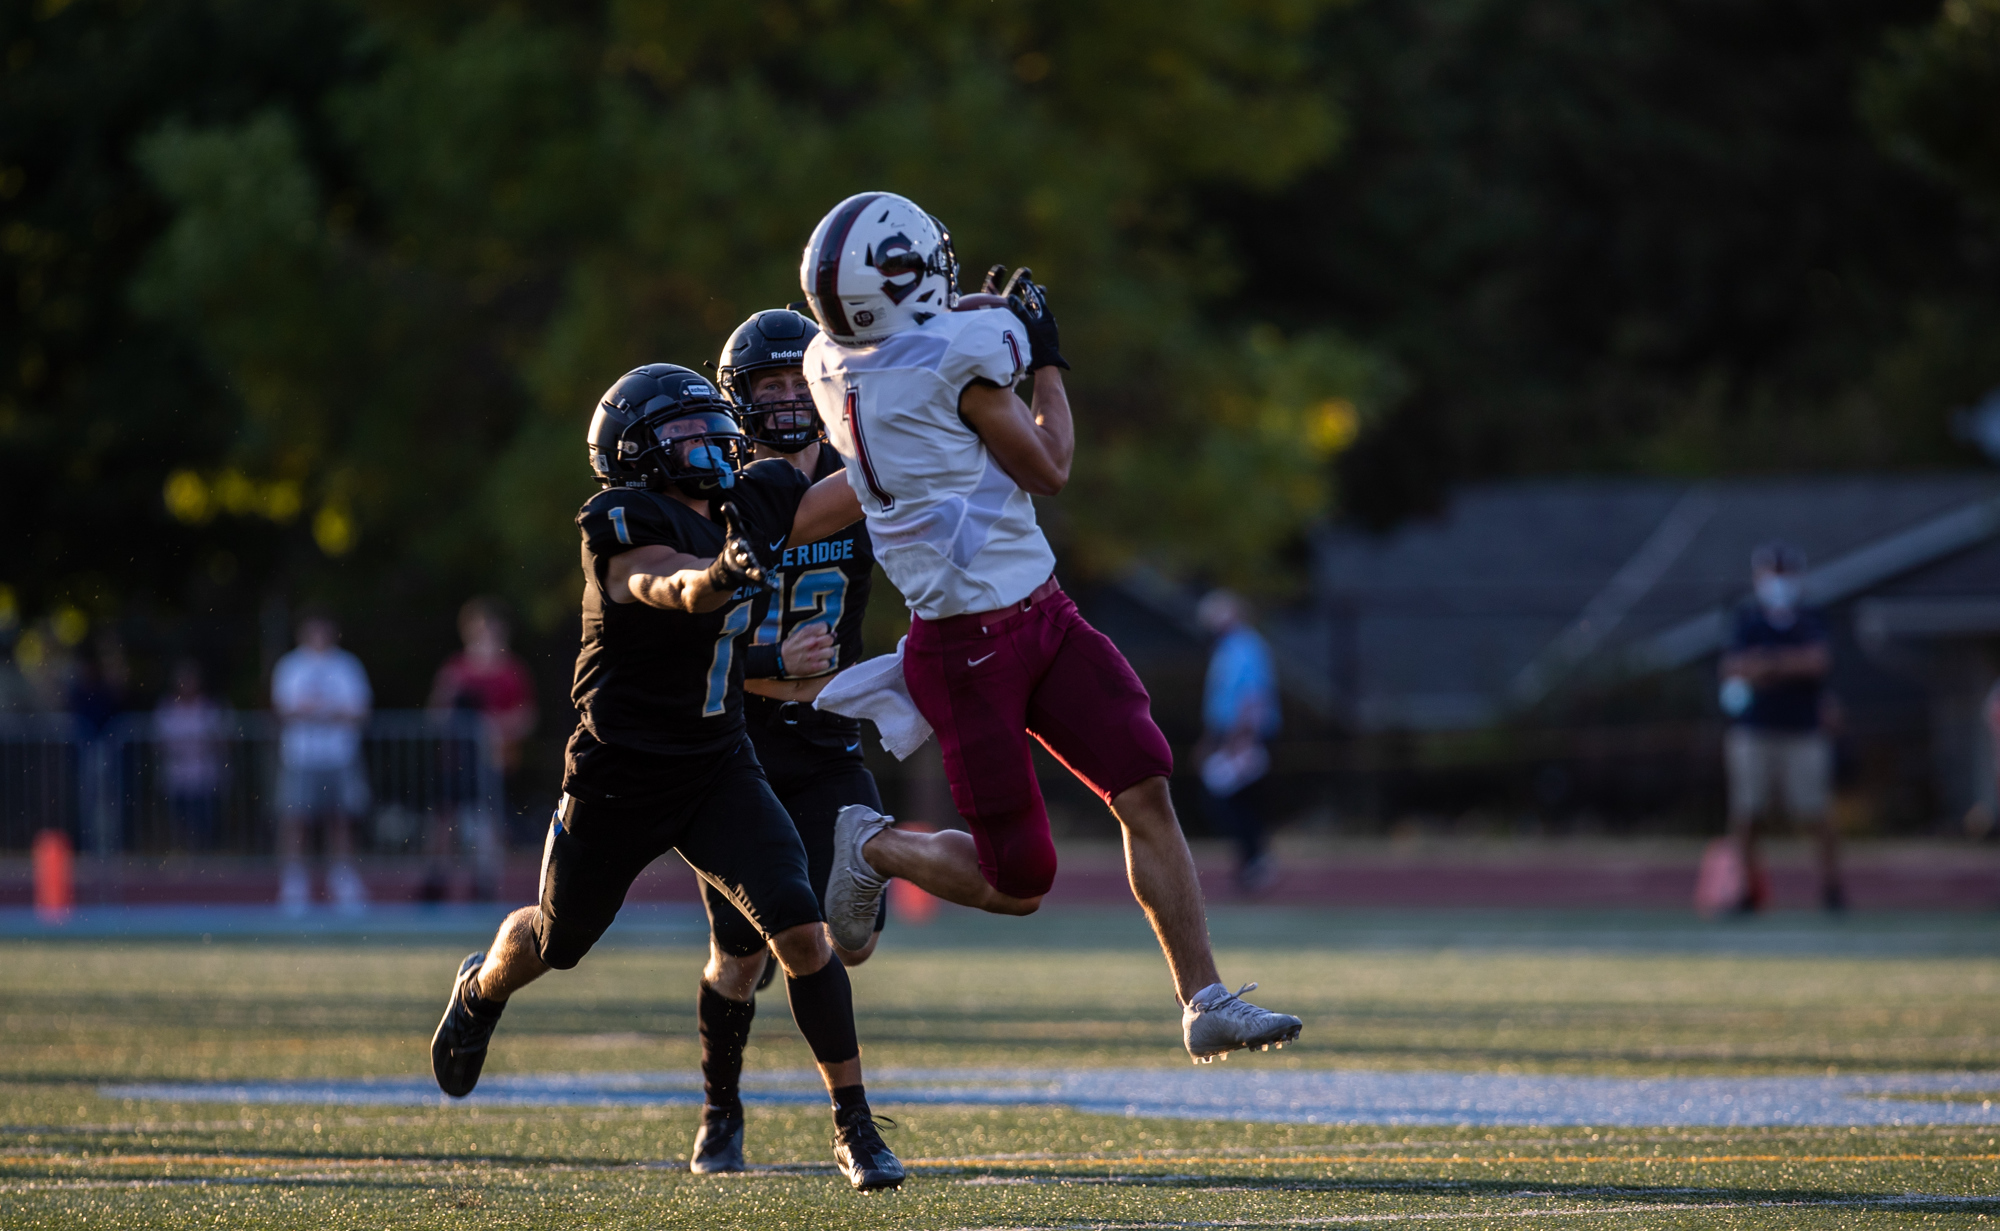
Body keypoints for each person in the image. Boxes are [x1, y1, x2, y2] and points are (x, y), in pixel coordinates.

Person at [798, 191, 1302, 1062]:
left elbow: (920, 344)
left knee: (1143, 780)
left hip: (1043, 614)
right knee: (1019, 878)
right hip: (967, 652)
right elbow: (1051, 465)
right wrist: (1051, 362)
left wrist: (988, 323)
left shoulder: (842, 365)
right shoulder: (951, 368)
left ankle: (1204, 996)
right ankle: (872, 844)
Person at [426, 363, 905, 1190]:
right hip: (620, 775)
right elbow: (663, 583)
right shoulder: (620, 518)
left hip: (719, 763)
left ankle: (854, 1126)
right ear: (636, 451)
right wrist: (720, 576)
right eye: (684, 431)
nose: (710, 440)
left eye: (709, 424)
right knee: (557, 937)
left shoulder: (743, 499)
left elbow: (837, 497)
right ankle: (482, 985)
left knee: (799, 926)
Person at [672, 307, 891, 1175]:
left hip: (830, 737)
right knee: (738, 957)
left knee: (843, 935)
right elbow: (696, 648)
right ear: (740, 402)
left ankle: (850, 1120)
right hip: (743, 753)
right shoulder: (721, 503)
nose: (790, 404)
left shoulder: (852, 480)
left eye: (800, 383)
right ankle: (721, 1109)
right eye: (769, 389)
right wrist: (769, 657)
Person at [1718, 542, 1844, 912]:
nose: (1778, 581)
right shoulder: (1746, 618)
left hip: (1803, 730)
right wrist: (1785, 665)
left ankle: (1832, 890)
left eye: (1785, 573)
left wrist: (1767, 664)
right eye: (1772, 573)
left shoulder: (1811, 616)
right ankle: (1745, 890)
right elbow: (1733, 667)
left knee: (1815, 811)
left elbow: (1817, 662)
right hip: (1754, 729)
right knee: (1747, 812)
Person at [422, 598, 537, 902]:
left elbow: (526, 718)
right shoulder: (455, 669)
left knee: (486, 826)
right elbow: (437, 714)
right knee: (444, 823)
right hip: (455, 762)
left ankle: (483, 886)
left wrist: (492, 729)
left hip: (492, 763)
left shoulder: (512, 670)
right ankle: (437, 884)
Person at [272, 612, 373, 915]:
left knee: (341, 819)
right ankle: (294, 884)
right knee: (295, 820)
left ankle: (342, 880)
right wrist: (328, 712)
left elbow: (360, 710)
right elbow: (284, 709)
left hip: (340, 755)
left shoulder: (347, 665)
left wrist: (317, 712)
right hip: (300, 756)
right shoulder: (290, 666)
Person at [1196, 590, 1281, 893]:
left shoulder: (1245, 646)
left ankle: (1255, 862)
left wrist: (1241, 738)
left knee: (1231, 800)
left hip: (1243, 737)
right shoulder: (1227, 648)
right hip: (1231, 736)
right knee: (1235, 801)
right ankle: (1252, 862)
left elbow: (1251, 696)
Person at [155, 658, 227, 850]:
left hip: (204, 776)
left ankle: (206, 854)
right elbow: (160, 743)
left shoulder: (209, 708)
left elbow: (221, 740)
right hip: (177, 776)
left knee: (205, 821)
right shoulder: (167, 708)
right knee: (180, 820)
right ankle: (181, 854)